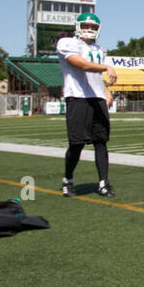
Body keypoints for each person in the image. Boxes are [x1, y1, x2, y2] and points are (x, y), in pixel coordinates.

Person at [56, 12, 117, 198]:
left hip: (96, 97)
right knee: (77, 143)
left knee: (101, 142)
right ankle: (68, 179)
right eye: (86, 26)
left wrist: (105, 90)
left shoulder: (100, 49)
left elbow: (95, 76)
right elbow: (81, 64)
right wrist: (107, 67)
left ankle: (103, 183)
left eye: (93, 27)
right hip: (78, 97)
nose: (89, 29)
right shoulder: (67, 43)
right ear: (78, 26)